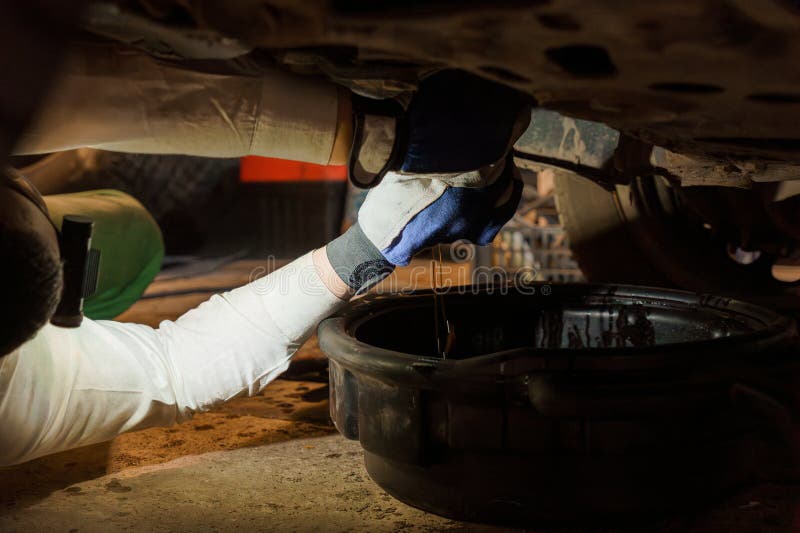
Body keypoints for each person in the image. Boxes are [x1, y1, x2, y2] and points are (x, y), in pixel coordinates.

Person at [0, 54, 531, 465]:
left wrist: (371, 135)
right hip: (36, 304)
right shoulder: (12, 409)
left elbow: (41, 68)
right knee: (127, 234)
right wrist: (364, 251)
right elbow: (179, 368)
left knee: (122, 227)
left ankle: (48, 231)